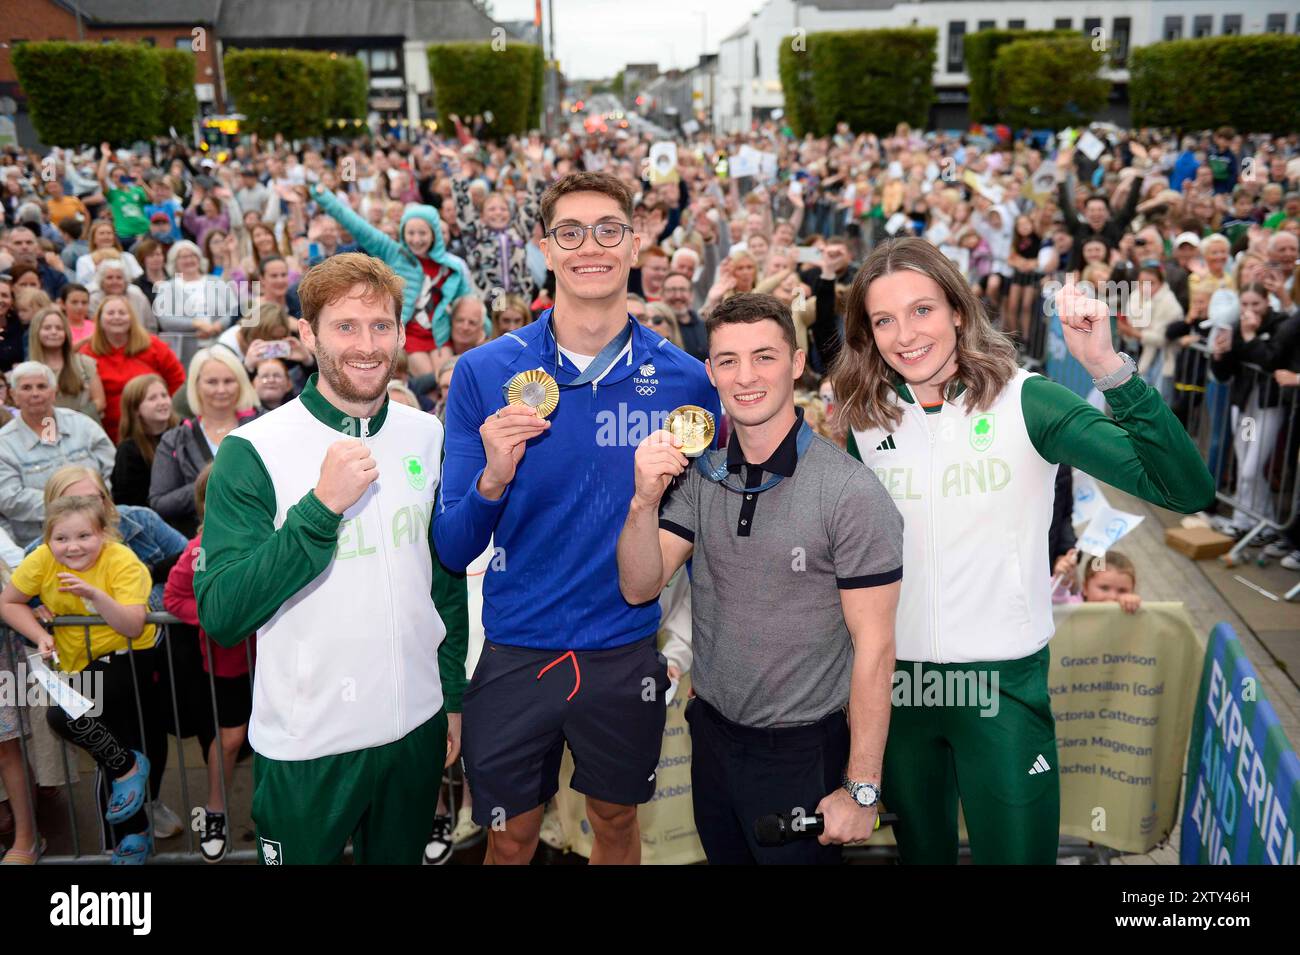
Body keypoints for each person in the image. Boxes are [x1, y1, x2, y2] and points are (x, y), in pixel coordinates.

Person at [833, 237, 1214, 864]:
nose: (906, 334)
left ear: (958, 309)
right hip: (897, 693)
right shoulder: (867, 421)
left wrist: (1107, 368)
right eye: (884, 319)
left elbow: (1185, 489)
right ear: (868, 333)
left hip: (1002, 687)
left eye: (922, 309)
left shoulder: (1025, 399)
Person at [433, 171, 720, 865]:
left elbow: (699, 526)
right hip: (515, 649)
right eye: (570, 232)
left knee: (616, 827)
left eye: (607, 230)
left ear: (634, 242)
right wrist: (494, 478)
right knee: (510, 839)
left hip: (622, 653)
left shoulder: (686, 379)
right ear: (545, 248)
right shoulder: (483, 372)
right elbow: (452, 543)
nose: (590, 246)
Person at [194, 253, 467, 865]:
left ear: (401, 333)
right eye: (345, 326)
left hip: (416, 729)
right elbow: (222, 612)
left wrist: (450, 698)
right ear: (307, 335)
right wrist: (319, 510)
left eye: (380, 326)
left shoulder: (428, 434)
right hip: (307, 745)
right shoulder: (253, 450)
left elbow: (444, 580)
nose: (366, 346)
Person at [617, 293, 902, 864]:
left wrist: (861, 789)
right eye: (728, 360)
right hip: (714, 740)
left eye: (764, 357)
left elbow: (876, 649)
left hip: (803, 753)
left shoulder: (849, 492)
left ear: (796, 364)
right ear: (710, 372)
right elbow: (639, 587)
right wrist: (643, 502)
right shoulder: (702, 474)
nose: (746, 376)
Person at [0, 495, 157, 864]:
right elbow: (9, 602)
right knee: (114, 755)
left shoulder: (122, 560)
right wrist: (38, 634)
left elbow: (133, 625)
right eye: (61, 539)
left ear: (103, 534)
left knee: (65, 717)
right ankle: (133, 834)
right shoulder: (41, 560)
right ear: (47, 539)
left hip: (129, 659)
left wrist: (94, 594)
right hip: (80, 665)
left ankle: (129, 770)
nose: (72, 547)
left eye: (84, 536)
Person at [164, 464, 253, 863]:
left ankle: (280, 812)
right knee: (230, 738)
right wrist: (219, 614)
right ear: (206, 504)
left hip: (277, 658)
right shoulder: (198, 550)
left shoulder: (271, 536)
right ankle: (214, 811)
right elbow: (173, 599)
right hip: (228, 662)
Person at [310, 185, 474, 378]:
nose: (416, 239)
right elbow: (358, 226)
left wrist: (485, 328)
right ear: (403, 233)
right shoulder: (395, 253)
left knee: (449, 378)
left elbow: (469, 302)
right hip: (409, 335)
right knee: (428, 380)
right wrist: (324, 197)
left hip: (440, 336)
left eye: (422, 233)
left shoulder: (451, 266)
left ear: (434, 235)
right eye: (411, 233)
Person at [0, 362, 115, 544]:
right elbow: (9, 498)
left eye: (42, 386)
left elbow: (112, 469)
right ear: (14, 395)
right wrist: (72, 503)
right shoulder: (4, 444)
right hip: (37, 541)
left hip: (99, 533)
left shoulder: (82, 425)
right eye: (26, 388)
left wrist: (97, 502)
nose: (35, 393)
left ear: (54, 392)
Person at [151, 348, 259, 537]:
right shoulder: (175, 440)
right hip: (198, 541)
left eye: (228, 381)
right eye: (211, 382)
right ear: (196, 385)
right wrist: (211, 481)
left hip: (258, 533)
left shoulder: (262, 427)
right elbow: (160, 503)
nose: (221, 389)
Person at [79, 294, 186, 442]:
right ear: (100, 320)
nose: (117, 317)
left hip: (154, 430)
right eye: (110, 313)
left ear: (132, 318)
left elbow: (178, 382)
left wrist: (165, 411)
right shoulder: (87, 354)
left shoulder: (154, 346)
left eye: (122, 313)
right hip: (105, 432)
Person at [27, 306, 105, 423]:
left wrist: (70, 420)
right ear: (36, 332)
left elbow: (100, 401)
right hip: (45, 429)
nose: (54, 332)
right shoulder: (28, 370)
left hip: (81, 427)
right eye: (47, 328)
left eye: (59, 328)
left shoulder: (84, 363)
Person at [114, 374, 179, 508]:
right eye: (152, 398)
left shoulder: (184, 432)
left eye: (164, 395)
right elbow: (128, 502)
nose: (162, 402)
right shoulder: (129, 451)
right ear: (136, 409)